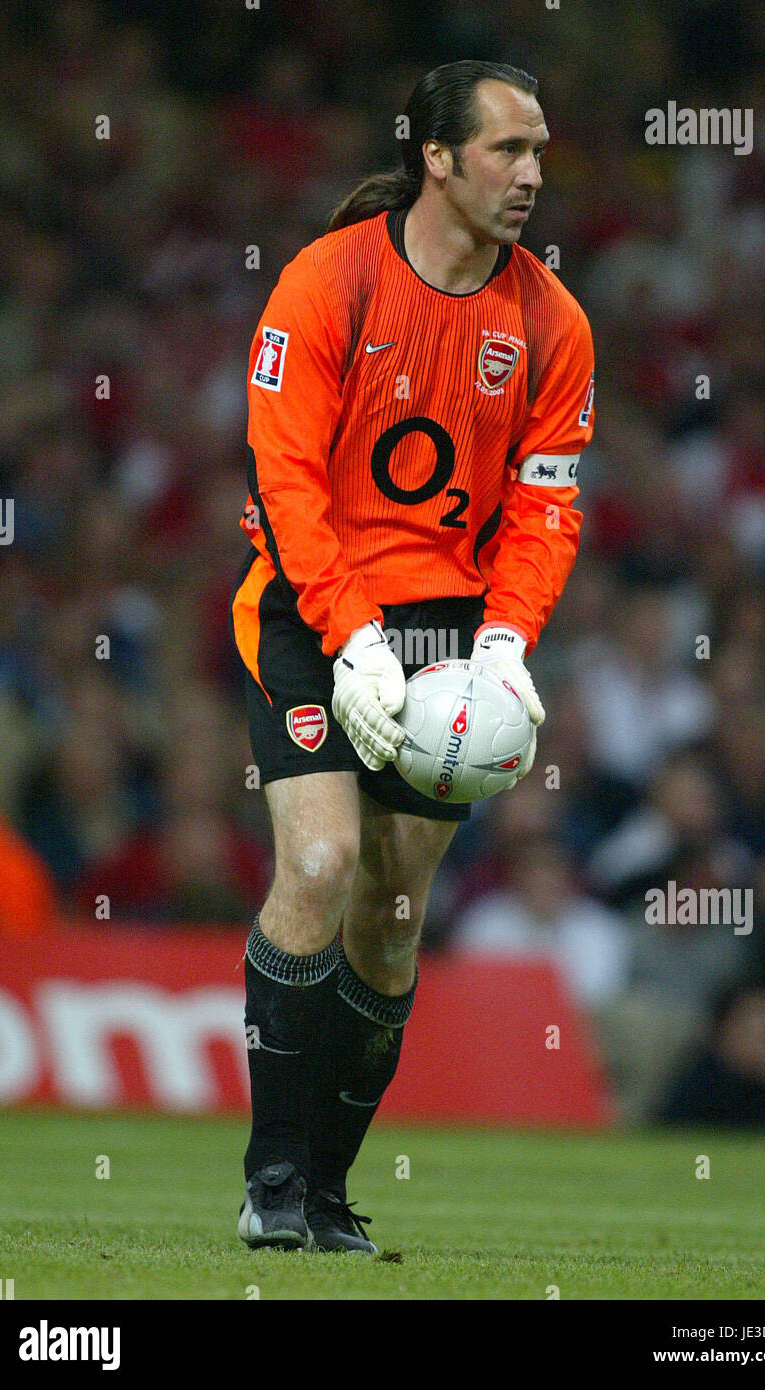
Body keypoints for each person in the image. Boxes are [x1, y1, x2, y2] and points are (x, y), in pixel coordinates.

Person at [229, 60, 594, 1253]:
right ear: (435, 156)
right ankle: (271, 1185)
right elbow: (284, 478)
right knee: (323, 863)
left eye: (538, 151)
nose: (531, 174)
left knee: (389, 916)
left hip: (447, 629)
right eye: (505, 150)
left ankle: (328, 1197)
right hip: (308, 605)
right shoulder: (324, 283)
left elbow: (544, 506)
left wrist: (502, 644)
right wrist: (351, 642)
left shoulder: (553, 323)